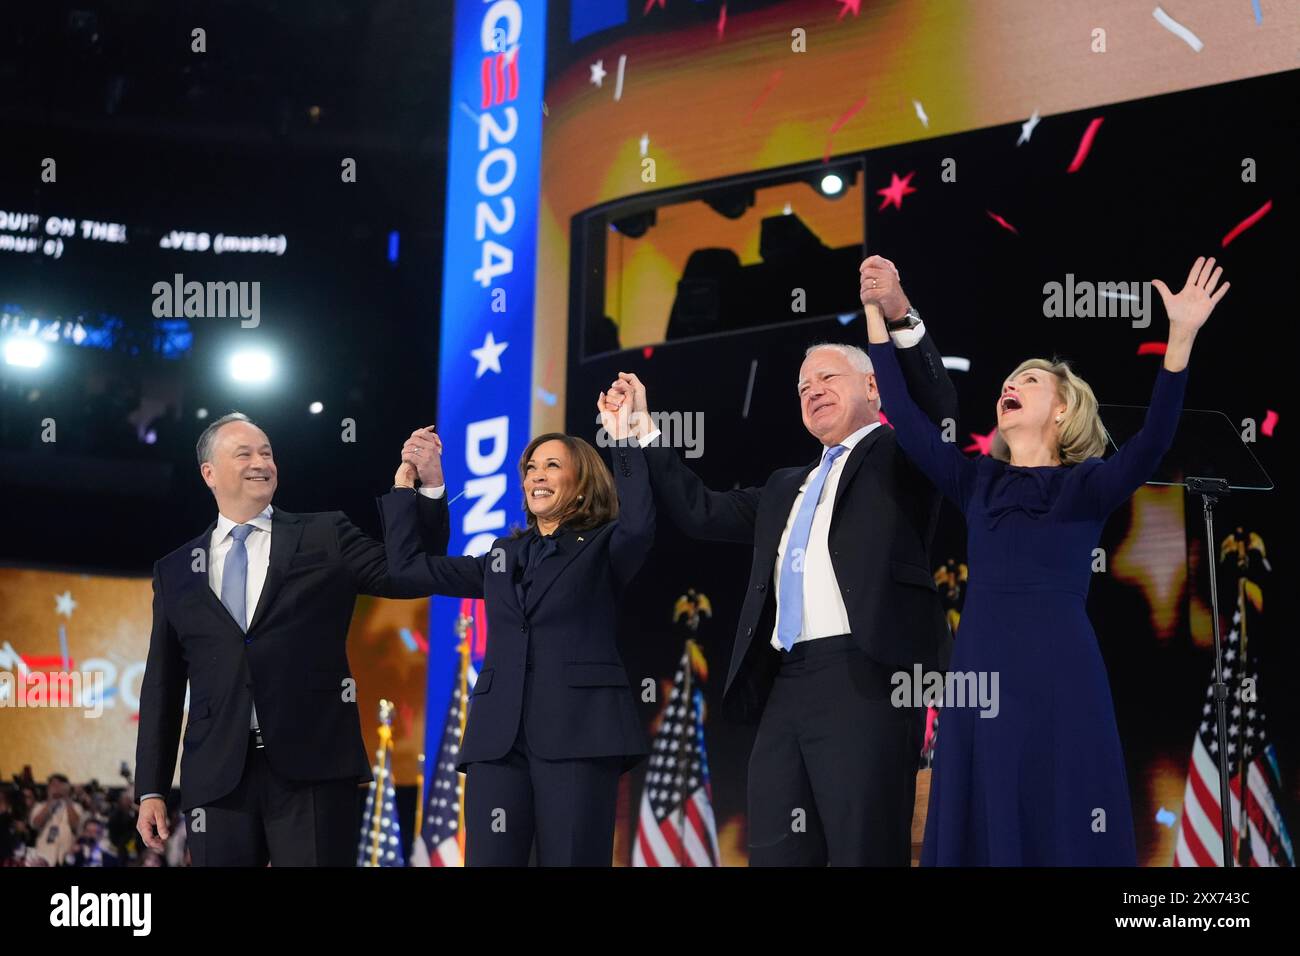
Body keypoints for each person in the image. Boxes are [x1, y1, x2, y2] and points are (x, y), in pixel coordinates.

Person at [863, 256, 1228, 865]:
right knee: (982, 806)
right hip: (980, 671)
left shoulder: (1087, 485)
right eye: (1010, 380)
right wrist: (876, 313)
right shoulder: (976, 480)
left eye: (1030, 381)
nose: (1011, 385)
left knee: (1059, 805)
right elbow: (902, 413)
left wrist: (1181, 337)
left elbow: (1155, 441)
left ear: (1062, 409)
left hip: (1060, 672)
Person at [608, 255, 957, 865]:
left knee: (863, 849)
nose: (812, 391)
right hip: (785, 681)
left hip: (868, 674)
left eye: (827, 379)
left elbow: (937, 404)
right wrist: (641, 432)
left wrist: (899, 314)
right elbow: (700, 511)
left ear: (873, 386)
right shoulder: (784, 485)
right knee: (778, 850)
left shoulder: (903, 457)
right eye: (802, 387)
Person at [134, 413, 451, 866]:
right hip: (217, 781)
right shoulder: (176, 570)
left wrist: (426, 489)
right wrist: (151, 789)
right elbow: (162, 687)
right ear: (209, 473)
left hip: (315, 771)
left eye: (266, 452)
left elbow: (411, 573)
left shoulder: (325, 535)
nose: (261, 461)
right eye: (244, 453)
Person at [377, 392, 653, 865]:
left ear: (583, 484)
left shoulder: (607, 546)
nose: (536, 476)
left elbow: (641, 522)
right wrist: (416, 486)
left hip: (578, 736)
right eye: (530, 468)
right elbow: (406, 571)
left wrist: (624, 437)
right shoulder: (502, 557)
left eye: (551, 466)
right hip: (498, 742)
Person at [29, 774, 80, 866]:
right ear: (48, 788)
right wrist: (50, 801)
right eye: (53, 785)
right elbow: (36, 824)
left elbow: (75, 825)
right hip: (43, 857)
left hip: (66, 857)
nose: (57, 788)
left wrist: (67, 798)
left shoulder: (75, 807)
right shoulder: (39, 806)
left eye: (60, 785)